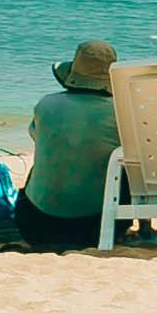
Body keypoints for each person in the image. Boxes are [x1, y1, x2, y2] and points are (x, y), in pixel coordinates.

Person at [19, 39, 119, 250]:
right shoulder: (119, 112)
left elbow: (37, 137)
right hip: (97, 228)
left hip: (34, 226)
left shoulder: (46, 104)